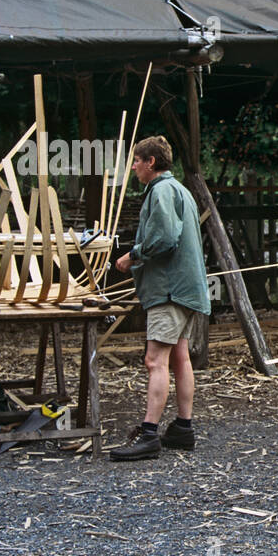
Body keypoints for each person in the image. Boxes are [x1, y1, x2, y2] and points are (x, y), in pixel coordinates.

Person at [111, 136, 210, 460]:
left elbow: (165, 238)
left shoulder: (162, 191)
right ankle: (183, 428)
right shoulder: (181, 190)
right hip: (185, 289)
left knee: (155, 360)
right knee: (179, 357)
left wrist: (133, 255)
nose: (135, 167)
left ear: (151, 161)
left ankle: (149, 433)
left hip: (169, 290)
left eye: (137, 161)